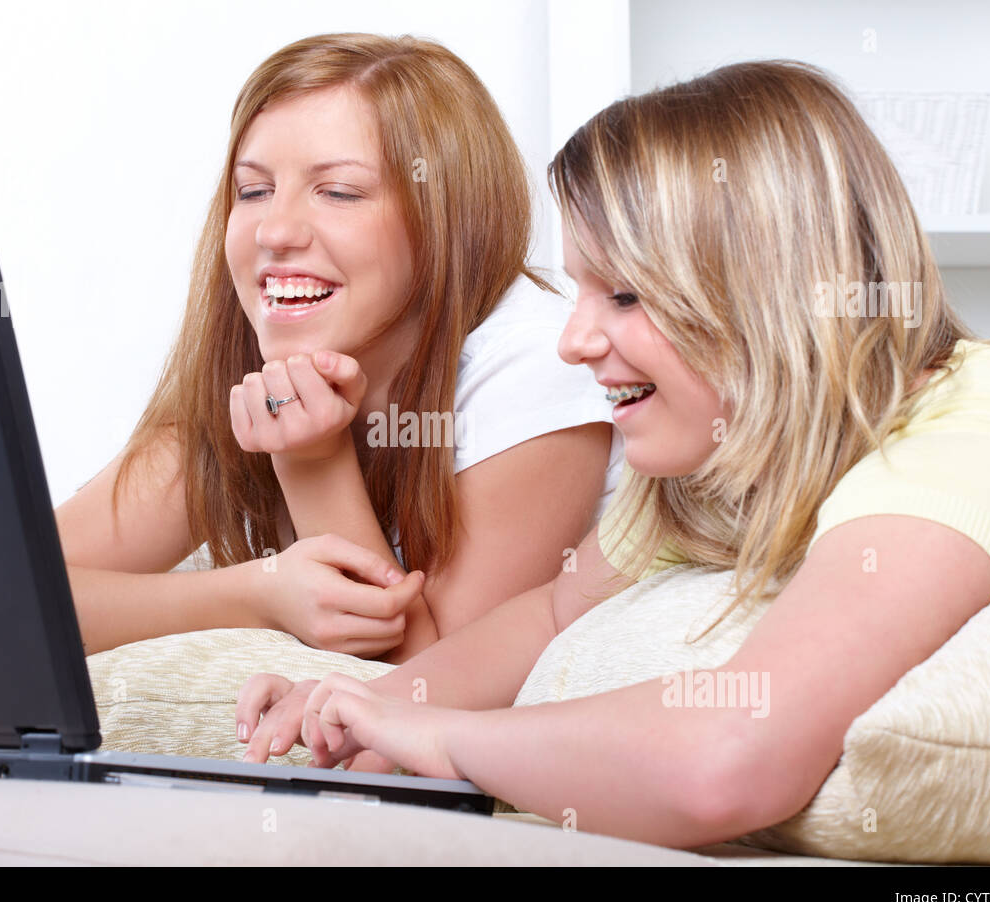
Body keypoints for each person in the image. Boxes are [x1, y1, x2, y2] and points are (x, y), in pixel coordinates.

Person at [235, 60, 990, 845]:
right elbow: (556, 613)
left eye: (626, 295)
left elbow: (730, 761)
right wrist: (358, 708)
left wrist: (445, 736)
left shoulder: (980, 427)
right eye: (581, 290)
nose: (573, 340)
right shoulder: (722, 450)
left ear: (766, 294)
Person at [54, 33, 622, 663]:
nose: (275, 231)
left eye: (339, 192)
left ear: (446, 219)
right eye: (253, 191)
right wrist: (254, 594)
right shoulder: (255, 374)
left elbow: (431, 689)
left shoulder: (542, 360)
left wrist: (313, 459)